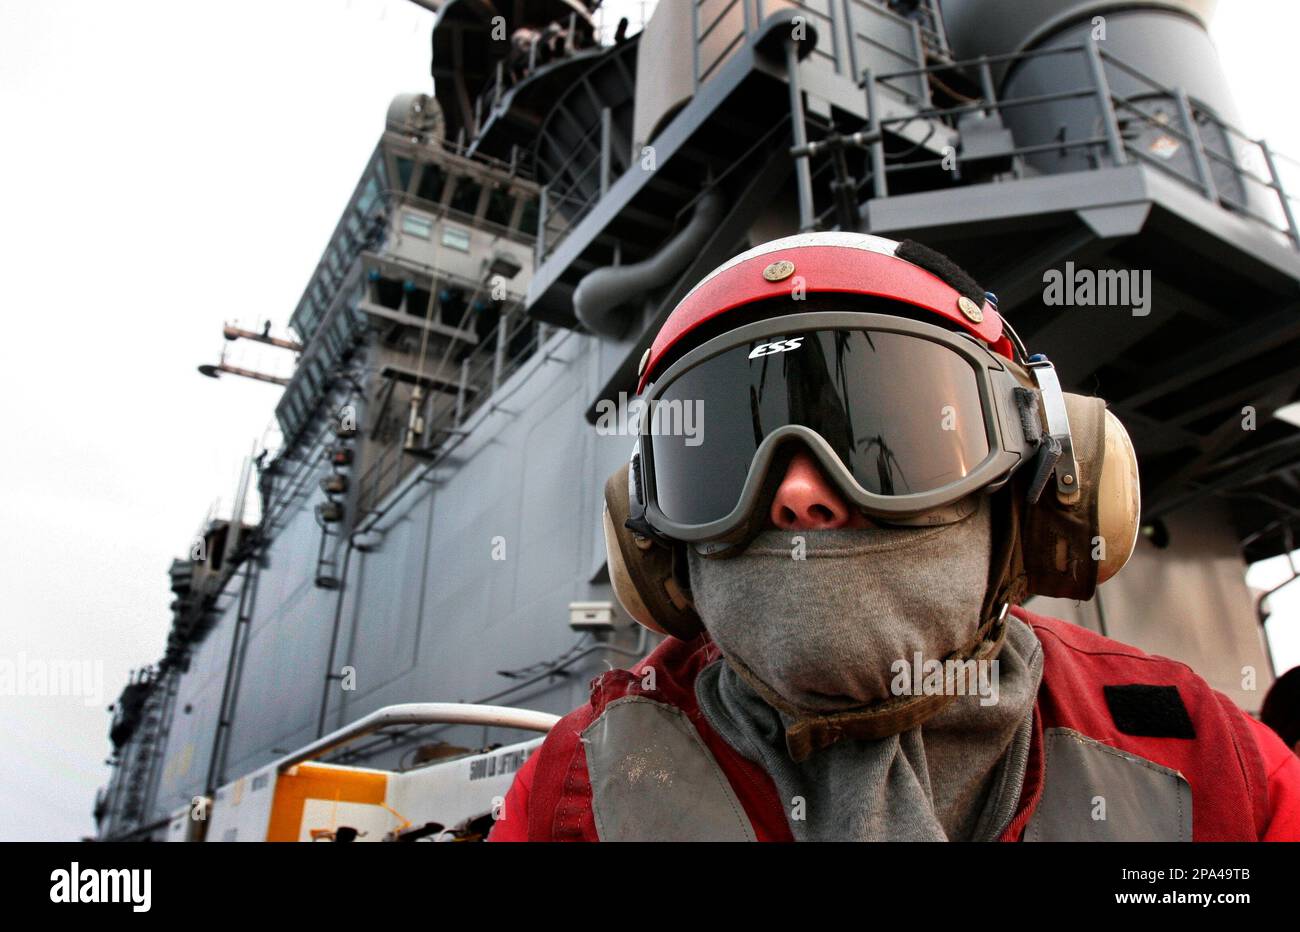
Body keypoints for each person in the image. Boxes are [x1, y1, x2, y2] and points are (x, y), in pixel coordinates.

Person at [488, 233, 1300, 841]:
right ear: (654, 537)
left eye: (887, 438)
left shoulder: (1206, 754)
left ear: (1041, 475)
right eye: (725, 459)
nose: (801, 494)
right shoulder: (577, 789)